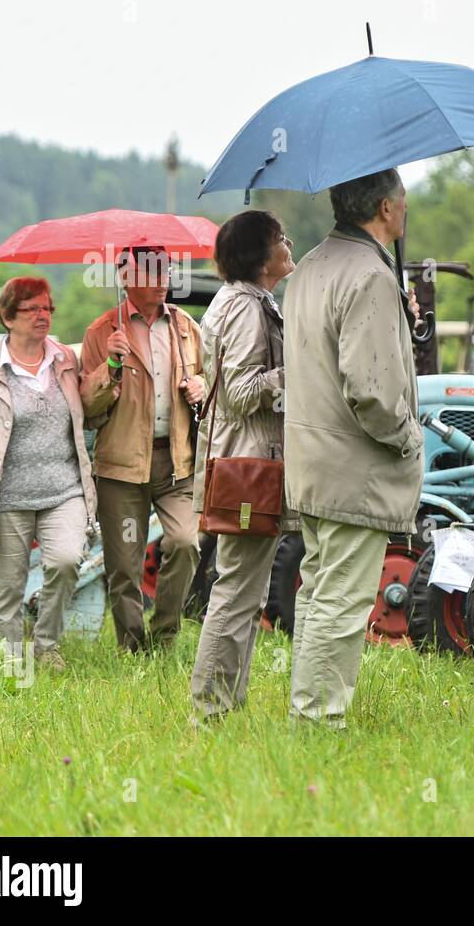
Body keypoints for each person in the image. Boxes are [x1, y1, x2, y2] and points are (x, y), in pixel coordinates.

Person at [284, 168, 423, 727]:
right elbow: (371, 390)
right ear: (386, 208)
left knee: (318, 593)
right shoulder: (370, 274)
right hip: (354, 469)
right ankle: (318, 722)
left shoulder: (310, 267)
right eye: (403, 200)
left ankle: (309, 713)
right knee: (342, 602)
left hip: (312, 462)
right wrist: (408, 436)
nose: (406, 209)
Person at [0, 278, 98, 669]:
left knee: (65, 562)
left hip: (64, 490)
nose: (43, 316)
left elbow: (91, 411)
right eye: (33, 309)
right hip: (5, 496)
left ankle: (47, 646)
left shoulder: (66, 361)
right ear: (8, 317)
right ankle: (10, 664)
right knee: (7, 586)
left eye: (47, 308)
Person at [190, 210, 296, 718]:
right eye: (280, 238)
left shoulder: (246, 301)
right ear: (260, 255)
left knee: (244, 592)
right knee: (235, 592)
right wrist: (298, 365)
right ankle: (210, 709)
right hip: (249, 466)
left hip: (244, 461)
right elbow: (242, 391)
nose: (289, 243)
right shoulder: (247, 308)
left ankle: (225, 705)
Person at [80, 246, 206, 653]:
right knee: (124, 566)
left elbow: (209, 380)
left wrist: (202, 387)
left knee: (186, 542)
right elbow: (86, 407)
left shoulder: (186, 326)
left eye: (165, 271)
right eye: (151, 272)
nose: (163, 280)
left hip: (176, 461)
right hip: (121, 466)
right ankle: (133, 649)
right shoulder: (101, 332)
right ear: (126, 278)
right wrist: (110, 369)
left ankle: (165, 635)